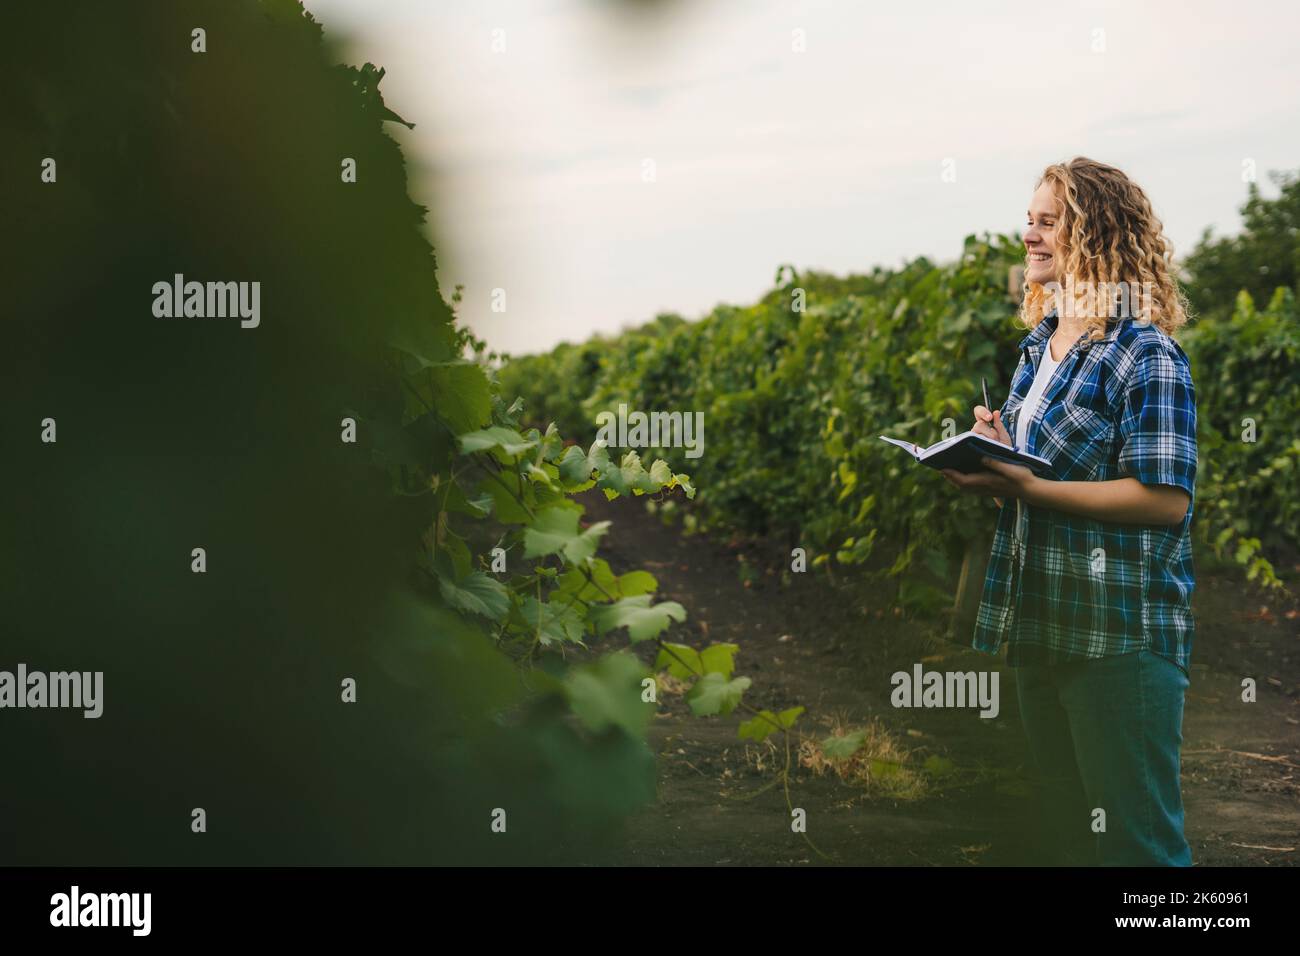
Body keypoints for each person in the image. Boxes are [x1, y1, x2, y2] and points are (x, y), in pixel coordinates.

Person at [941, 157, 1198, 866]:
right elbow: (1048, 463)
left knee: (1137, 846)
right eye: (1029, 219)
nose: (1028, 234)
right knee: (1067, 835)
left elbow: (1165, 499)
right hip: (1041, 619)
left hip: (1119, 638)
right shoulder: (1039, 349)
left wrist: (1029, 490)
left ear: (1099, 234)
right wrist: (996, 448)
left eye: (1048, 222)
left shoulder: (1146, 356)